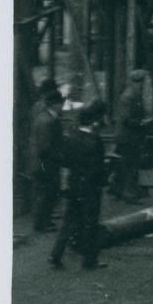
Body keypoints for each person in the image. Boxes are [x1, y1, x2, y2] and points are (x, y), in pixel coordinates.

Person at [49, 102, 107, 271]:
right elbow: (99, 167)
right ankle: (89, 260)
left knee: (68, 221)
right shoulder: (95, 141)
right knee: (90, 223)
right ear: (94, 122)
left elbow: (65, 161)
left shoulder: (71, 137)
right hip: (91, 187)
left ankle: (55, 255)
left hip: (74, 185)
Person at [112, 64, 153, 201]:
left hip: (131, 136)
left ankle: (118, 188)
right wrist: (142, 123)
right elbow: (126, 119)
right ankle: (128, 191)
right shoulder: (129, 96)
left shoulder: (135, 94)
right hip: (127, 136)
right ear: (139, 82)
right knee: (129, 164)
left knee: (125, 164)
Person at [27, 79, 64, 233]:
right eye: (60, 103)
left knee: (44, 192)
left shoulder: (44, 117)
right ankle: (42, 223)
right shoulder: (48, 121)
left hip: (40, 161)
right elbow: (46, 146)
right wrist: (60, 158)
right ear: (54, 104)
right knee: (47, 192)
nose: (62, 106)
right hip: (45, 163)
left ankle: (42, 221)